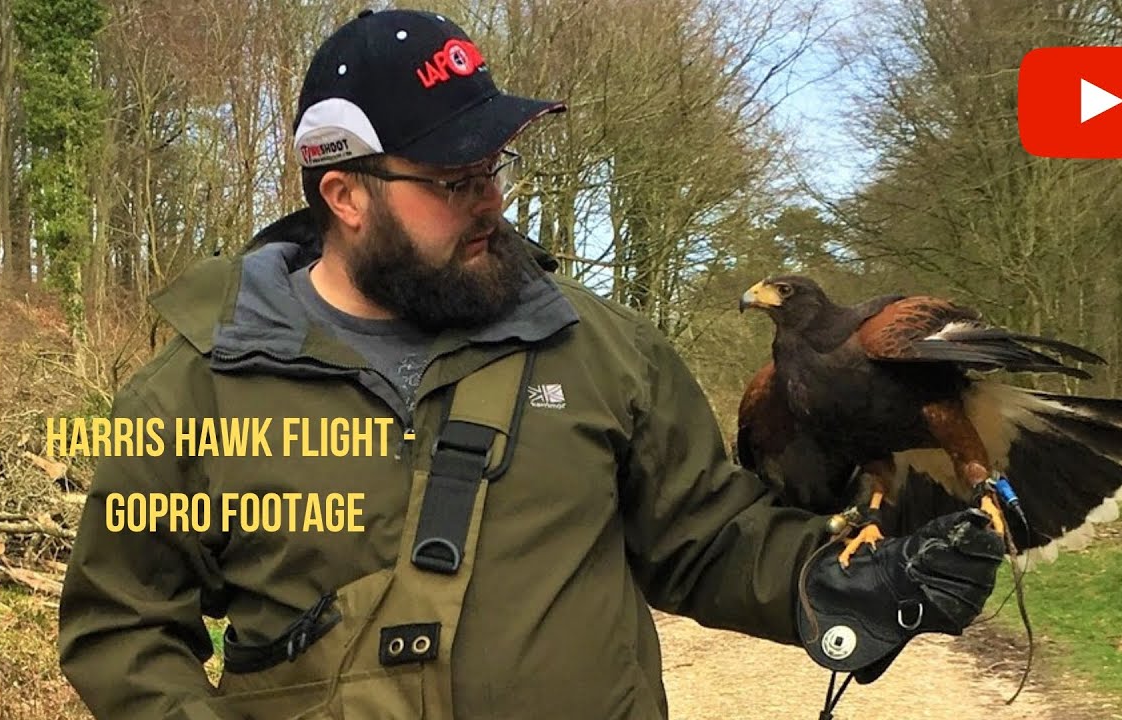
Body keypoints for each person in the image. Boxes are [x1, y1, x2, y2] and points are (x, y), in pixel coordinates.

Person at [57, 8, 1003, 720]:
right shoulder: (197, 387)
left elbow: (707, 537)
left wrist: (833, 580)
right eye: (454, 181)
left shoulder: (602, 350)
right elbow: (126, 625)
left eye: (497, 168)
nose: (492, 202)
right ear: (343, 193)